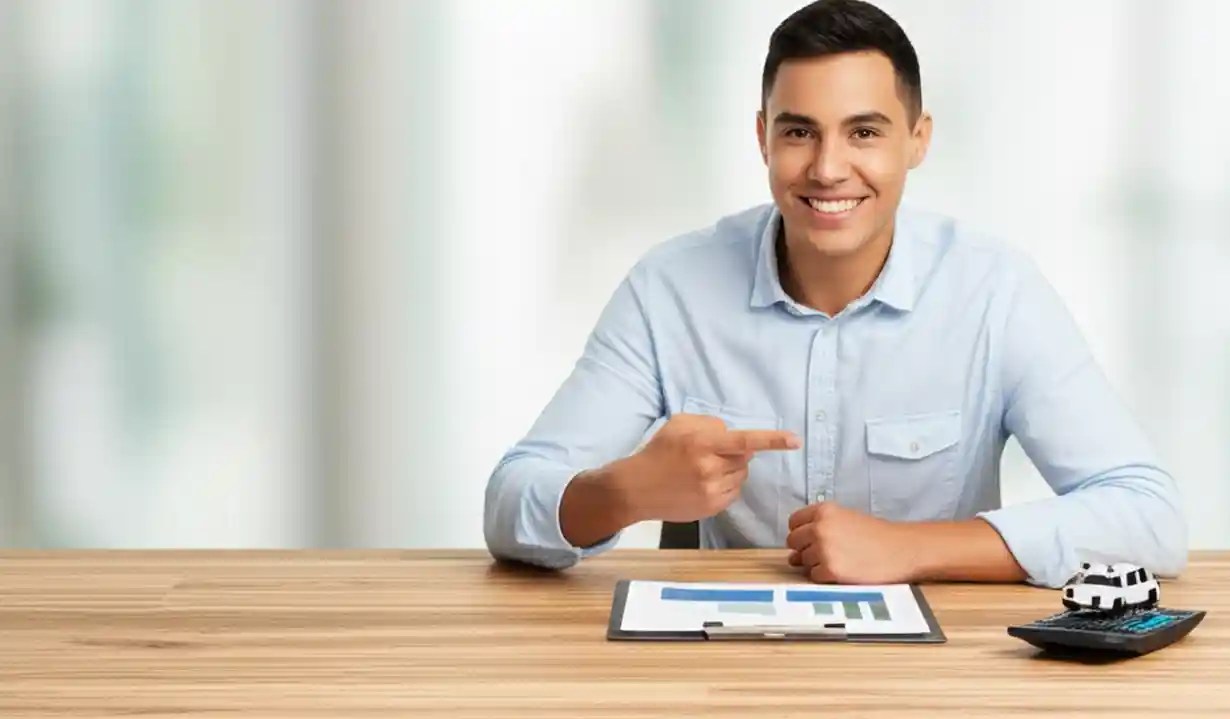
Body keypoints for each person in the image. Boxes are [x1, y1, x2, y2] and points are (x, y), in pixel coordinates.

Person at [483, 0, 1187, 588]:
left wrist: (910, 548)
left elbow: (1146, 515)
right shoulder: (670, 290)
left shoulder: (995, 293)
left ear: (917, 141)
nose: (827, 168)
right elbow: (511, 500)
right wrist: (625, 492)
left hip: (937, 680)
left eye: (864, 133)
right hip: (728, 670)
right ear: (763, 139)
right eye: (799, 132)